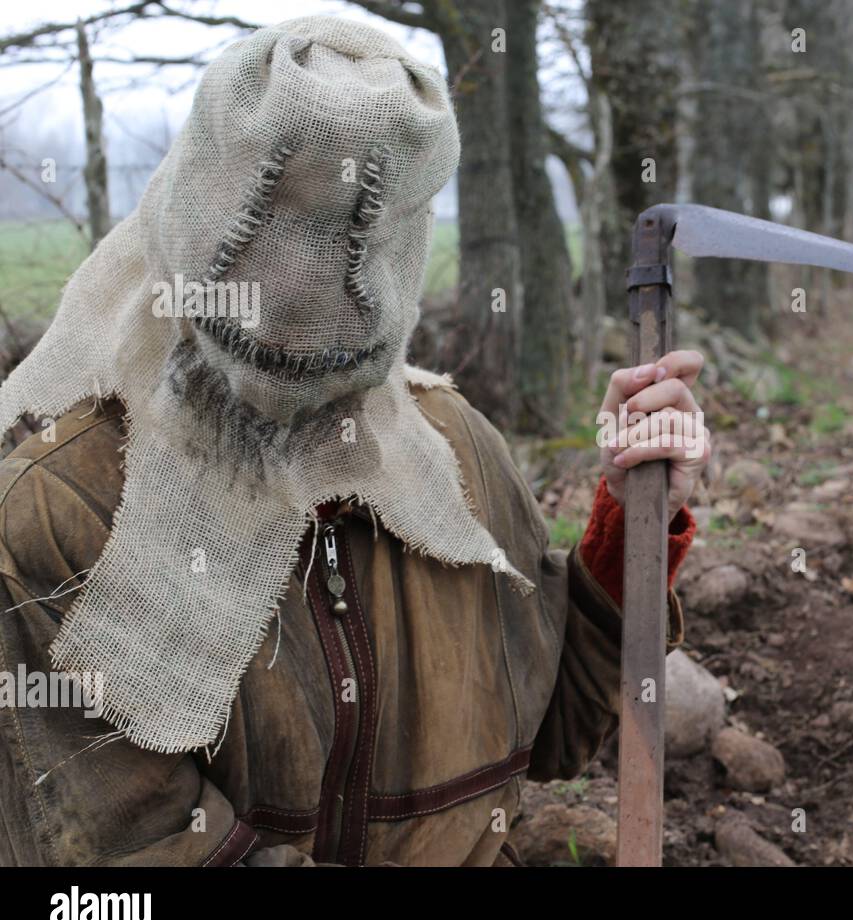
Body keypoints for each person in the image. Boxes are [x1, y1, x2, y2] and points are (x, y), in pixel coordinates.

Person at [0, 16, 709, 866]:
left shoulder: (454, 463)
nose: (304, 282)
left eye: (345, 242)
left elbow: (552, 733)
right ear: (205, 210)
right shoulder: (64, 511)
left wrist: (627, 530)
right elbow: (128, 864)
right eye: (281, 225)